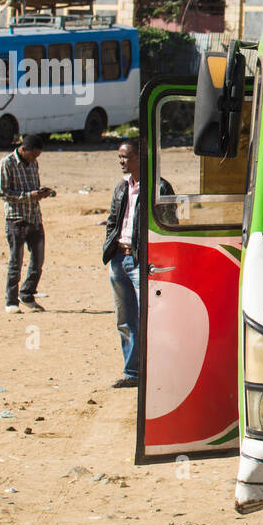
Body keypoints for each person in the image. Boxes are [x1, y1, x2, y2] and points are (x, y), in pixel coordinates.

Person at [103, 140, 171, 388]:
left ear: (141, 157)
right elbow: (113, 221)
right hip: (120, 259)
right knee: (126, 318)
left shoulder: (159, 187)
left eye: (126, 157)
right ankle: (133, 373)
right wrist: (111, 249)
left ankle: (155, 371)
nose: (121, 161)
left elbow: (167, 223)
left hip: (142, 260)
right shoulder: (121, 188)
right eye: (120, 157)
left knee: (150, 318)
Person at [0, 133, 54, 312]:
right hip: (16, 219)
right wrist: (29, 196)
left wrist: (42, 193)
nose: (35, 159)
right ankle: (11, 301)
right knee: (16, 261)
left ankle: (27, 293)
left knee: (38, 261)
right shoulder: (7, 163)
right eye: (33, 155)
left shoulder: (33, 164)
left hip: (34, 217)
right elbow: (3, 193)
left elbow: (33, 189)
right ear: (24, 149)